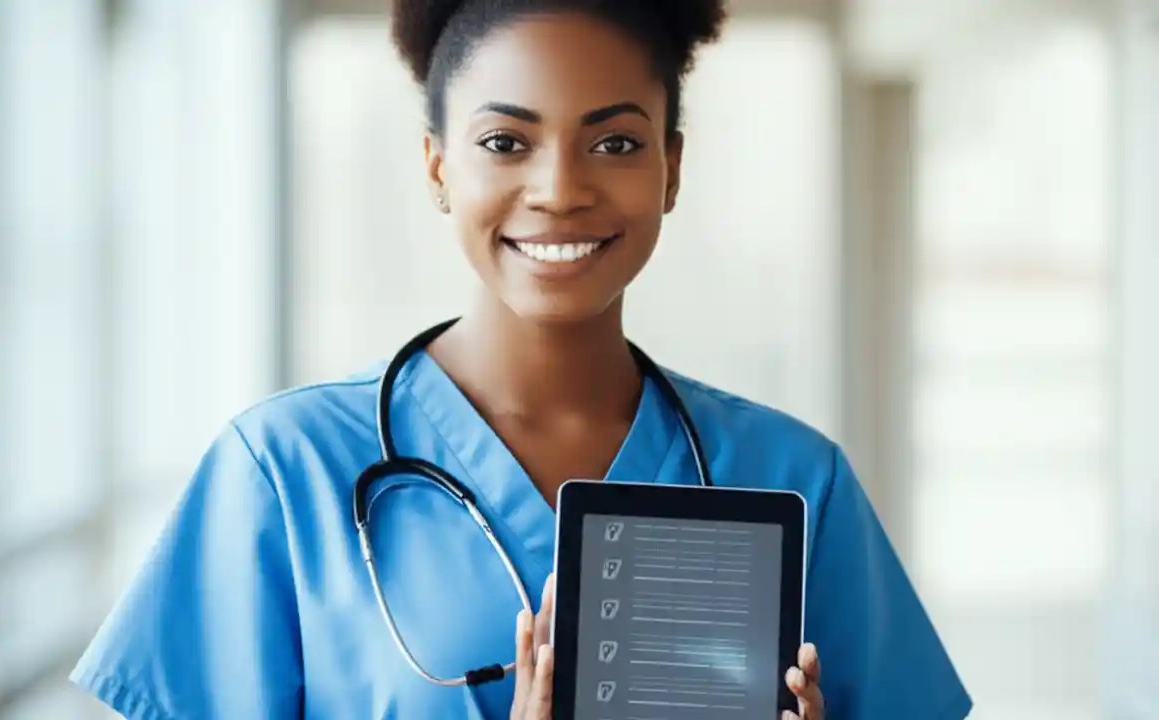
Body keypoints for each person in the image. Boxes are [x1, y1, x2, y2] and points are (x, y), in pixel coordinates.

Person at [70, 1, 972, 718]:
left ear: (671, 168)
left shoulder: (792, 478)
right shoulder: (283, 470)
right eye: (505, 143)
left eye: (614, 143)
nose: (560, 190)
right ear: (436, 168)